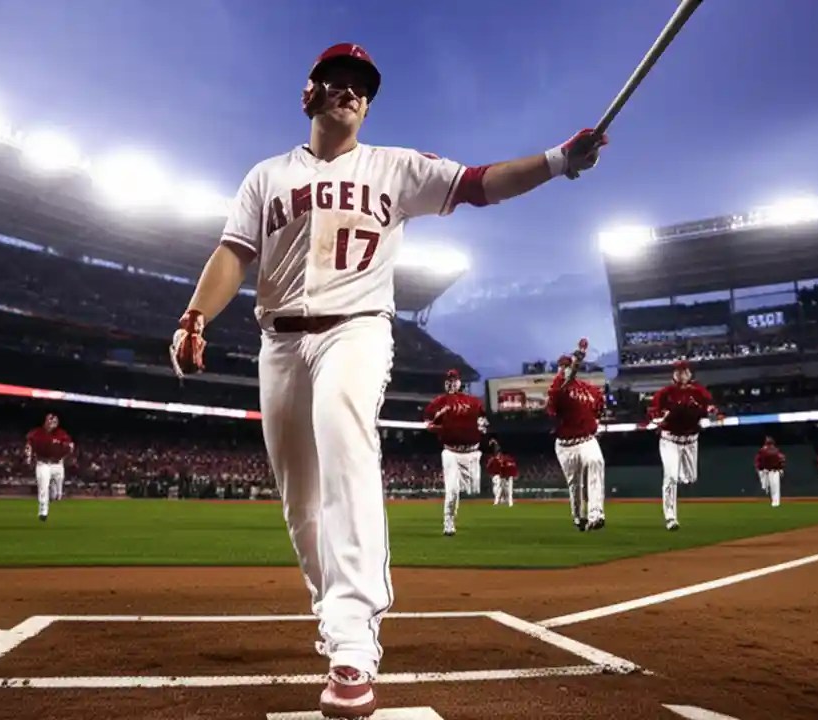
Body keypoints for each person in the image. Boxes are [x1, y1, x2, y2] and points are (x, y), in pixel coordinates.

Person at [167, 42, 608, 719]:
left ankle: (352, 643)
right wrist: (196, 316)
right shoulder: (266, 177)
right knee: (301, 501)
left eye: (360, 86)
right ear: (307, 95)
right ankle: (338, 618)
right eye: (335, 81)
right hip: (278, 340)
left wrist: (556, 161)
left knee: (347, 444)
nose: (348, 91)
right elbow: (234, 252)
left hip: (357, 327)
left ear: (368, 104)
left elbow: (479, 184)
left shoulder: (394, 167)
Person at [644, 360, 719, 530]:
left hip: (691, 441)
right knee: (670, 477)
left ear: (690, 374)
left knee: (690, 478)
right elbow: (653, 415)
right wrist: (660, 419)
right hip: (670, 440)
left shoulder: (699, 392)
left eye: (684, 371)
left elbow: (712, 410)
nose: (682, 374)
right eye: (678, 371)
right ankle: (670, 518)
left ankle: (680, 475)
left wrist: (711, 414)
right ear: (674, 374)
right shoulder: (665, 393)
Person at [546, 340, 607, 531]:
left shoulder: (591, 390)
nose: (564, 369)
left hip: (587, 439)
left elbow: (599, 408)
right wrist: (577, 359)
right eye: (561, 367)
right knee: (575, 484)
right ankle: (579, 517)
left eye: (566, 366)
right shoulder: (557, 390)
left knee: (596, 462)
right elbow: (558, 394)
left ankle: (596, 514)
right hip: (565, 444)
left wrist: (596, 419)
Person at [424, 369, 488, 536]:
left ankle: (453, 512)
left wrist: (483, 425)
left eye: (454, 380)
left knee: (473, 491)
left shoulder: (474, 401)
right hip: (451, 452)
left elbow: (483, 419)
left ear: (460, 382)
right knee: (452, 490)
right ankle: (448, 522)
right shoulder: (438, 402)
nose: (451, 383)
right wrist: (433, 427)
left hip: (472, 452)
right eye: (448, 380)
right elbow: (428, 421)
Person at [25, 413, 75, 521]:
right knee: (43, 488)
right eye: (50, 421)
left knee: (57, 495)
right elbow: (29, 445)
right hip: (42, 463)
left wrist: (68, 454)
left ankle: (53, 492)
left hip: (57, 464)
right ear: (45, 421)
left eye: (55, 421)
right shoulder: (36, 433)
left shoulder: (62, 434)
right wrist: (29, 457)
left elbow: (70, 446)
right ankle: (43, 512)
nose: (52, 424)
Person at [485, 438, 519, 507]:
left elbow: (513, 468)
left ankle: (508, 502)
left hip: (507, 476)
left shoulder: (507, 459)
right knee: (499, 489)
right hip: (501, 475)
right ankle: (499, 501)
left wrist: (514, 475)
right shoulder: (498, 459)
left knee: (507, 490)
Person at [754, 436, 785, 508]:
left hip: (769, 470)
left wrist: (759, 467)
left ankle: (774, 501)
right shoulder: (774, 450)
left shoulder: (767, 450)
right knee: (774, 487)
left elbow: (758, 460)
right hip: (771, 471)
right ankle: (774, 501)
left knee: (772, 487)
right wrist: (781, 468)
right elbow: (781, 459)